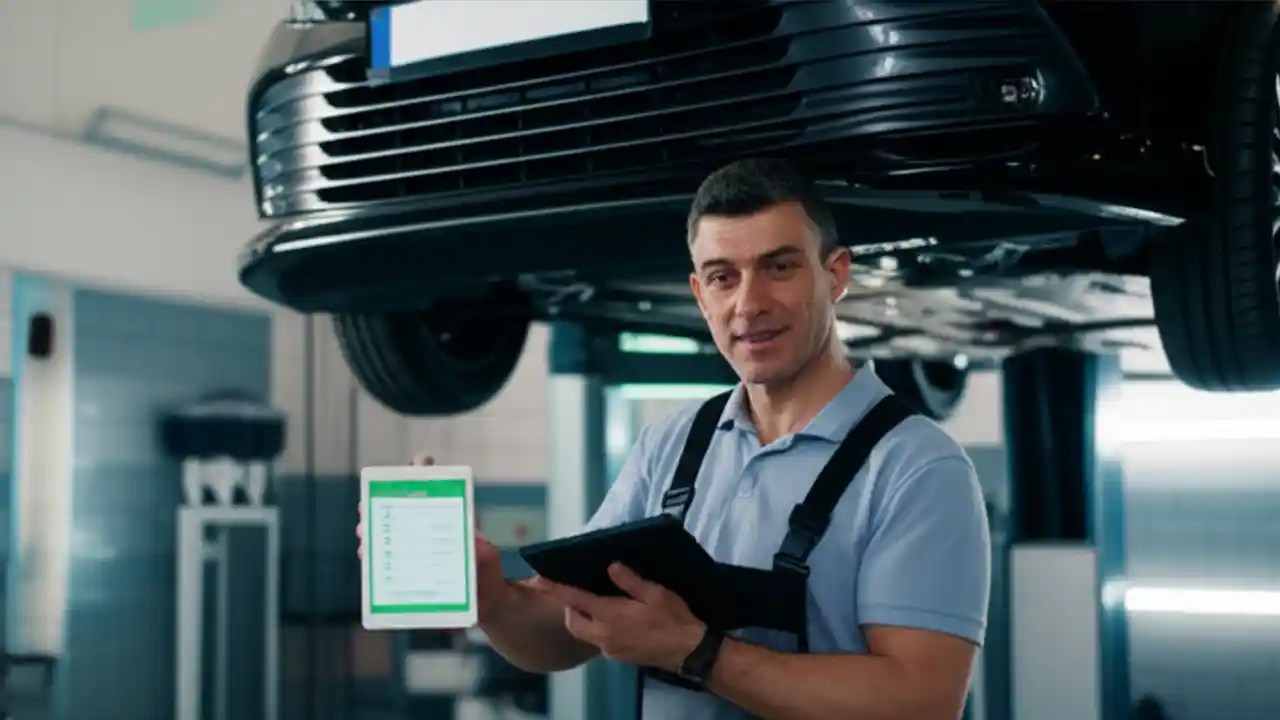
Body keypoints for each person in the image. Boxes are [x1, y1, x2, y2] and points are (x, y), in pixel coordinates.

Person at [358, 157, 991, 720]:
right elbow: (561, 631)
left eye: (778, 267)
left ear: (835, 275)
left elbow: (920, 700)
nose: (749, 304)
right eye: (722, 277)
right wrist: (489, 594)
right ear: (699, 293)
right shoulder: (675, 444)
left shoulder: (916, 466)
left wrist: (695, 650)